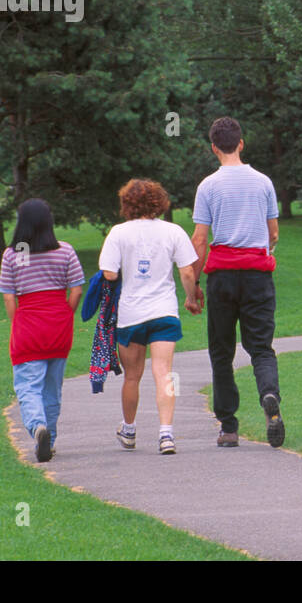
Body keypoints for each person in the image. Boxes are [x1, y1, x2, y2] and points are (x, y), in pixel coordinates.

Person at [190, 117, 284, 448]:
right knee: (260, 347)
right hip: (257, 274)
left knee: (221, 350)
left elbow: (200, 239)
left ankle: (229, 426)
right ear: (241, 143)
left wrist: (195, 283)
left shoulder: (208, 186)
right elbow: (273, 232)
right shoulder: (263, 182)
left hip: (222, 276)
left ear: (214, 147)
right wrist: (265, 249)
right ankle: (269, 395)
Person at [98, 179, 201, 455]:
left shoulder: (118, 233)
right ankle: (166, 435)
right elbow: (188, 272)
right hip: (164, 312)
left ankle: (129, 430)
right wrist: (191, 298)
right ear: (159, 202)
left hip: (131, 314)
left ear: (127, 204)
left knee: (132, 377)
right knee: (163, 374)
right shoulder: (173, 231)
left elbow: (109, 273)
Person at [0, 198, 84, 463]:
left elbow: (10, 297)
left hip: (28, 325)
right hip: (58, 325)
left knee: (28, 385)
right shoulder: (65, 251)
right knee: (51, 388)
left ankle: (38, 428)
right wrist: (65, 313)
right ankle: (51, 440)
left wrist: (19, 321)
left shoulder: (16, 254)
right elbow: (77, 288)